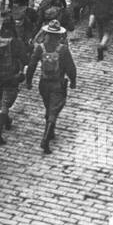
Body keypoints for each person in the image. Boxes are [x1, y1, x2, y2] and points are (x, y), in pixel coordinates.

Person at [24, 20, 77, 152]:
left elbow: (31, 66)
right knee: (54, 110)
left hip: (43, 84)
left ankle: (50, 130)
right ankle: (45, 139)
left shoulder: (40, 48)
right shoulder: (63, 49)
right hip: (58, 84)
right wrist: (73, 80)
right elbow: (71, 67)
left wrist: (29, 81)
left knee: (48, 107)